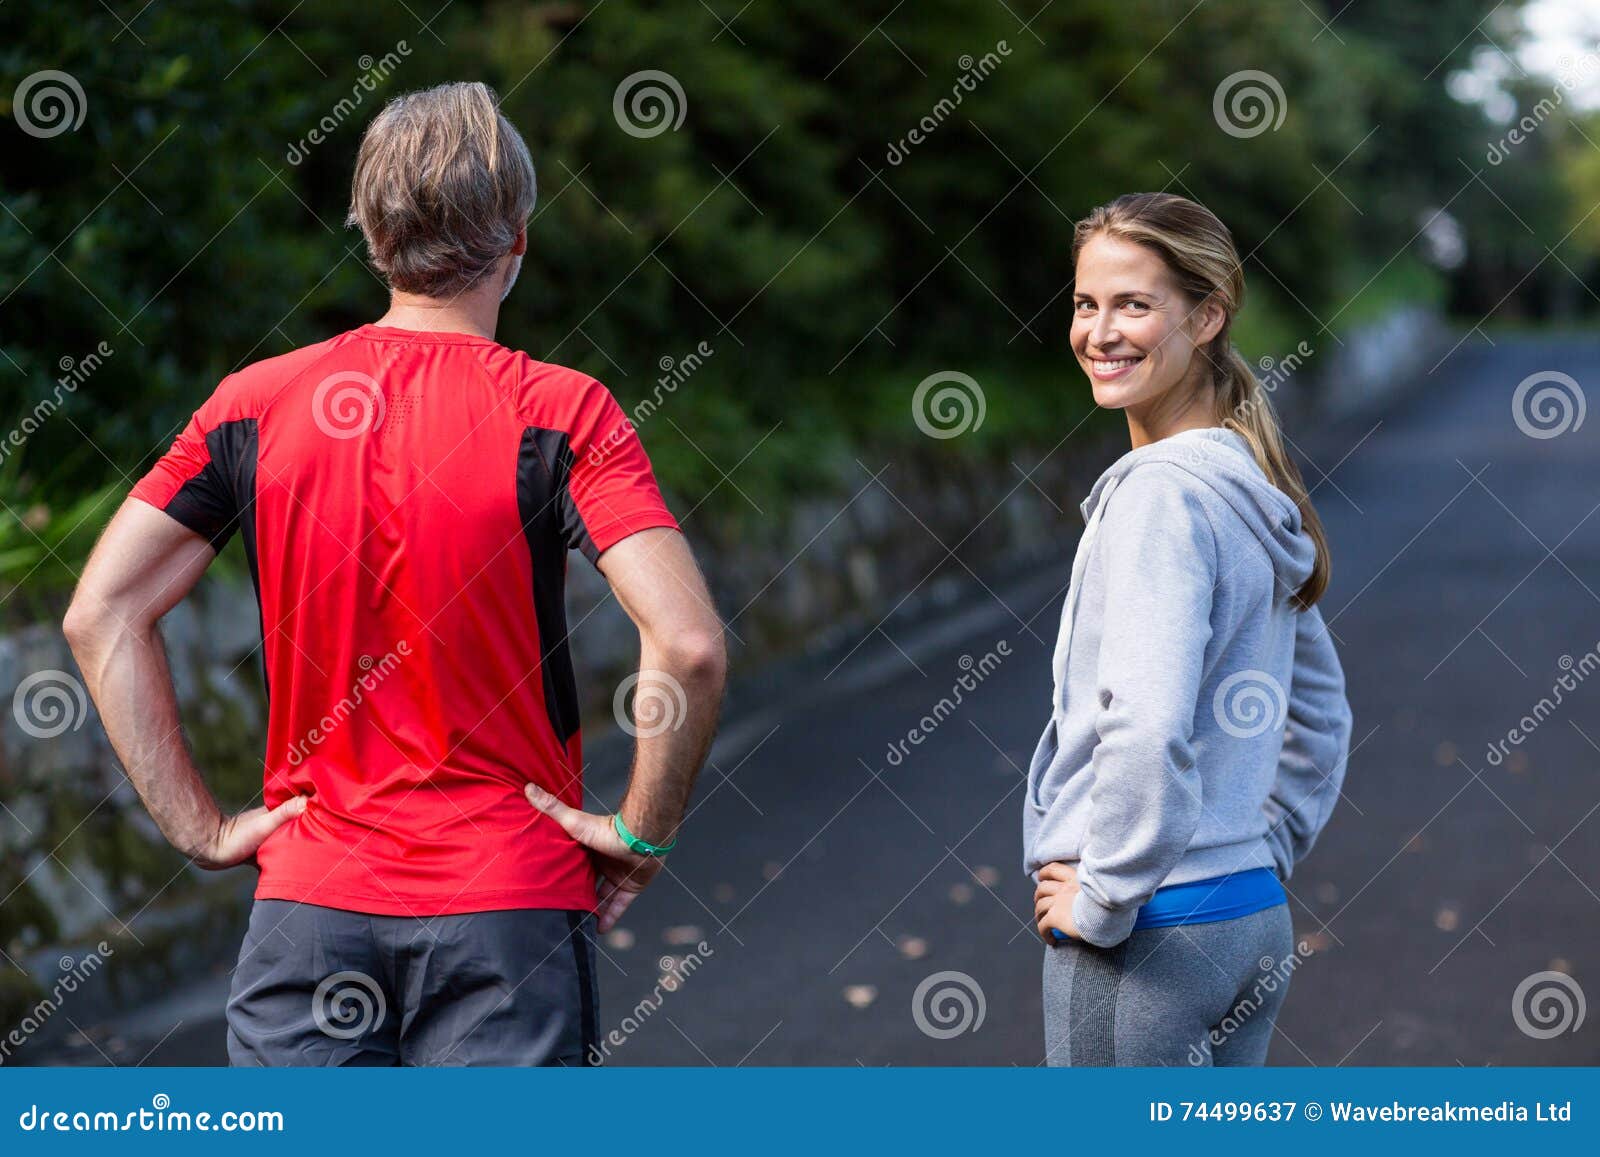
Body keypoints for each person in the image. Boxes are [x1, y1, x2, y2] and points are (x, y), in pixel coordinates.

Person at [62, 82, 727, 1066]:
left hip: (310, 908)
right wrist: (642, 831)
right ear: (517, 241)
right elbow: (689, 643)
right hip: (507, 909)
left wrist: (200, 828)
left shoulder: (256, 404)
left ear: (373, 238)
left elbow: (101, 612)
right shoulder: (563, 412)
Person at [1024, 192, 1353, 1067]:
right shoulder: (1252, 487)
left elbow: (1146, 717)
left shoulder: (1160, 496)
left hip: (1146, 936)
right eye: (1087, 304)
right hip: (1245, 918)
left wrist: (1102, 898)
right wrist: (1259, 846)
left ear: (1207, 316)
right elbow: (1319, 715)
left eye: (1135, 304)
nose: (1101, 331)